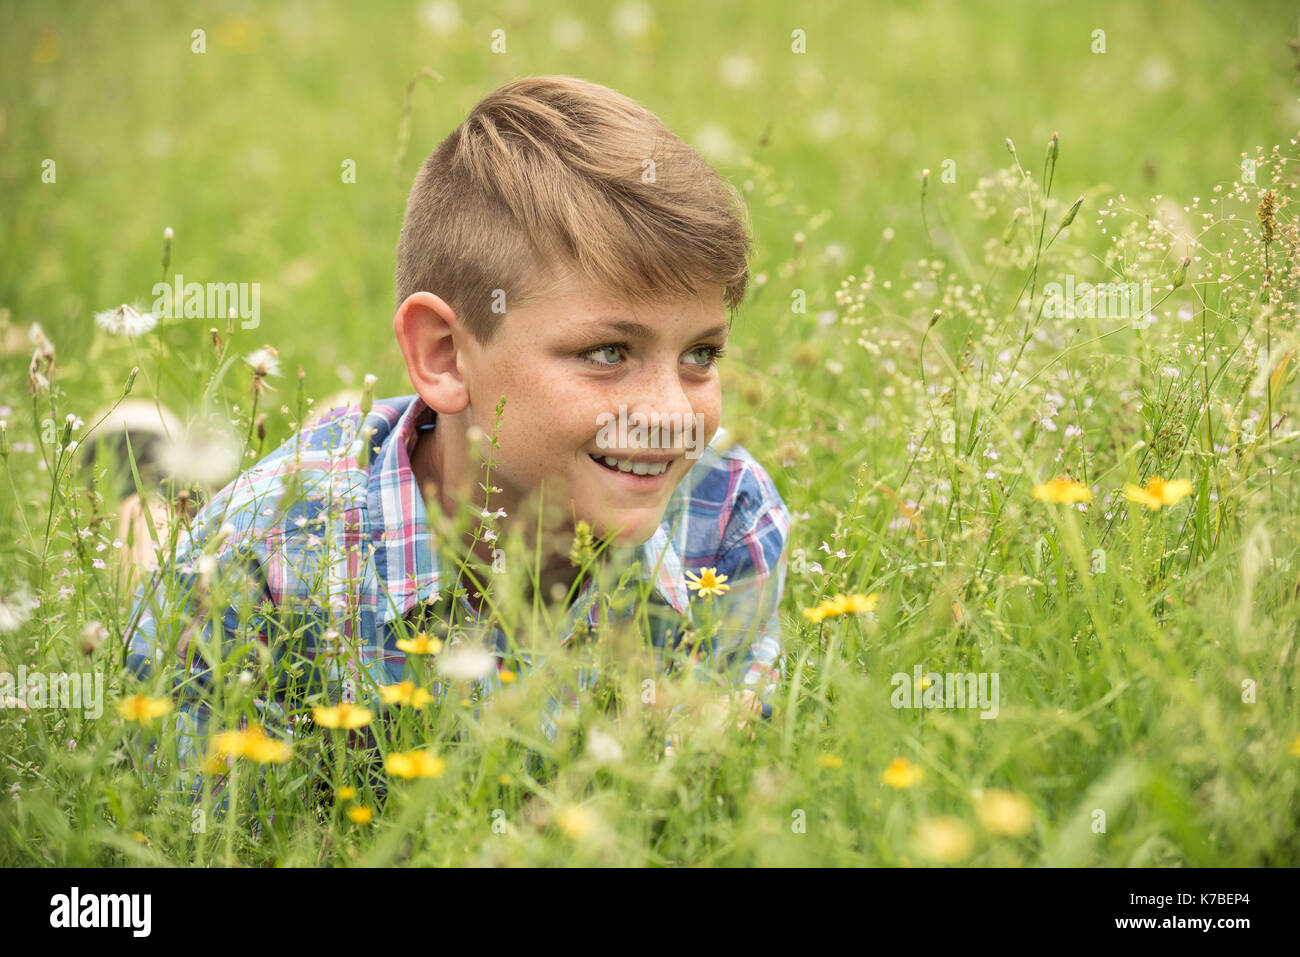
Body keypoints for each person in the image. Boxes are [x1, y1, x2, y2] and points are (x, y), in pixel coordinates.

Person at [122, 75, 790, 813]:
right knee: (150, 554)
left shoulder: (727, 517)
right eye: (608, 352)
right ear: (444, 351)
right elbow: (196, 824)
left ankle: (361, 417)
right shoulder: (256, 565)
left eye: (700, 355)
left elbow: (712, 802)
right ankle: (141, 494)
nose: (672, 414)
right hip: (274, 521)